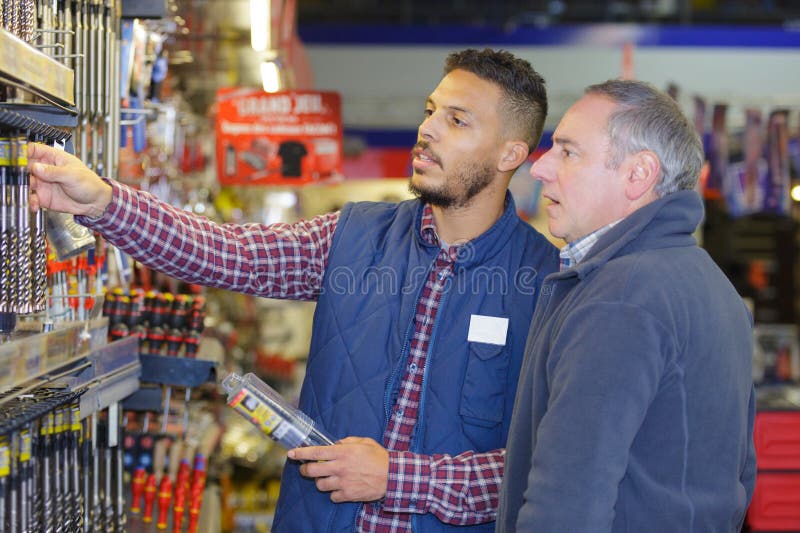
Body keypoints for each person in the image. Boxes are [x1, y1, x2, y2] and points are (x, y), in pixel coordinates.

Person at [28, 48, 559, 532]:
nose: (428, 130)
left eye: (457, 120)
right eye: (430, 110)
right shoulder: (353, 237)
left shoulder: (546, 285)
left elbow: (542, 466)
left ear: (510, 153)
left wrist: (397, 477)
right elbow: (227, 253)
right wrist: (100, 201)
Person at [496, 79, 756, 532]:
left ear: (638, 174)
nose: (540, 169)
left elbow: (566, 504)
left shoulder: (621, 295)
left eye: (568, 152)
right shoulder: (710, 284)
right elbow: (739, 472)